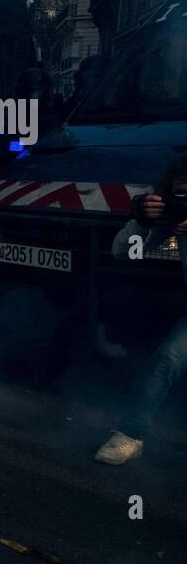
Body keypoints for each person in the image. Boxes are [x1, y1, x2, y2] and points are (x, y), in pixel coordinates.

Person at [94, 154, 187, 465]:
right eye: (180, 193)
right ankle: (131, 435)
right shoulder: (175, 215)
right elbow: (124, 251)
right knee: (168, 357)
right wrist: (143, 219)